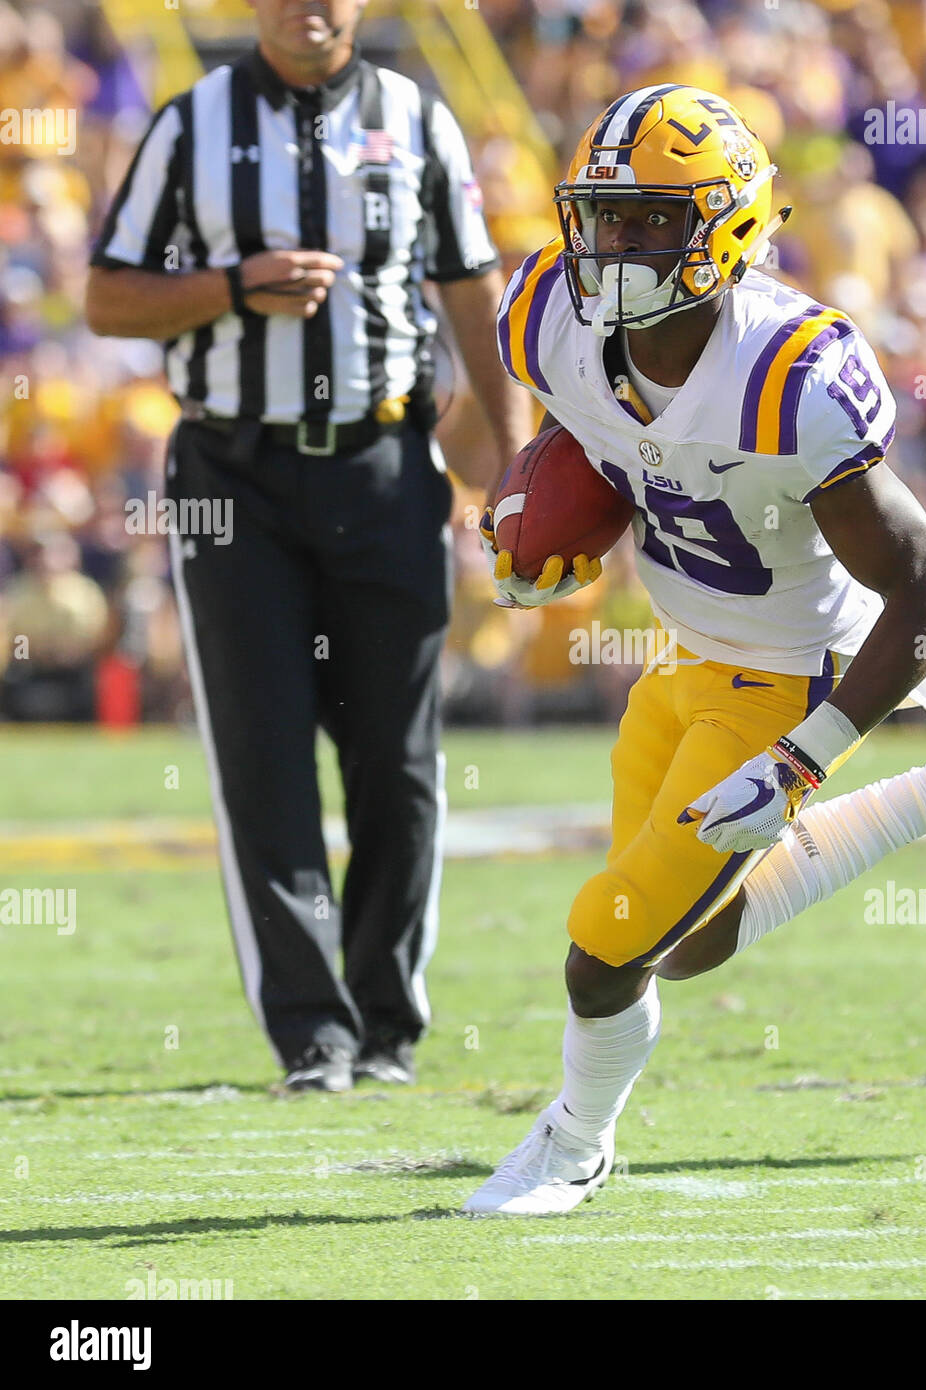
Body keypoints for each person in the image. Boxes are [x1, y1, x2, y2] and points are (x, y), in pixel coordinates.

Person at [468, 85, 926, 1215]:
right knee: (689, 943)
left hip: (787, 678)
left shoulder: (787, 377)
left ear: (725, 227)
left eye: (651, 221)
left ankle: (573, 1143)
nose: (616, 246)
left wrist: (800, 758)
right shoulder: (548, 312)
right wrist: (536, 520)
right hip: (685, 654)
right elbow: (584, 430)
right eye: (605, 216)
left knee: (607, 943)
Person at [84, 0, 530, 1091]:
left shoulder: (417, 117)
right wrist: (235, 286)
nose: (310, 7)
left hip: (384, 464)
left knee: (397, 758)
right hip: (233, 476)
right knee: (262, 754)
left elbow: (471, 284)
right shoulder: (191, 124)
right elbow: (107, 296)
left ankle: (388, 1022)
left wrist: (513, 457)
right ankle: (311, 1032)